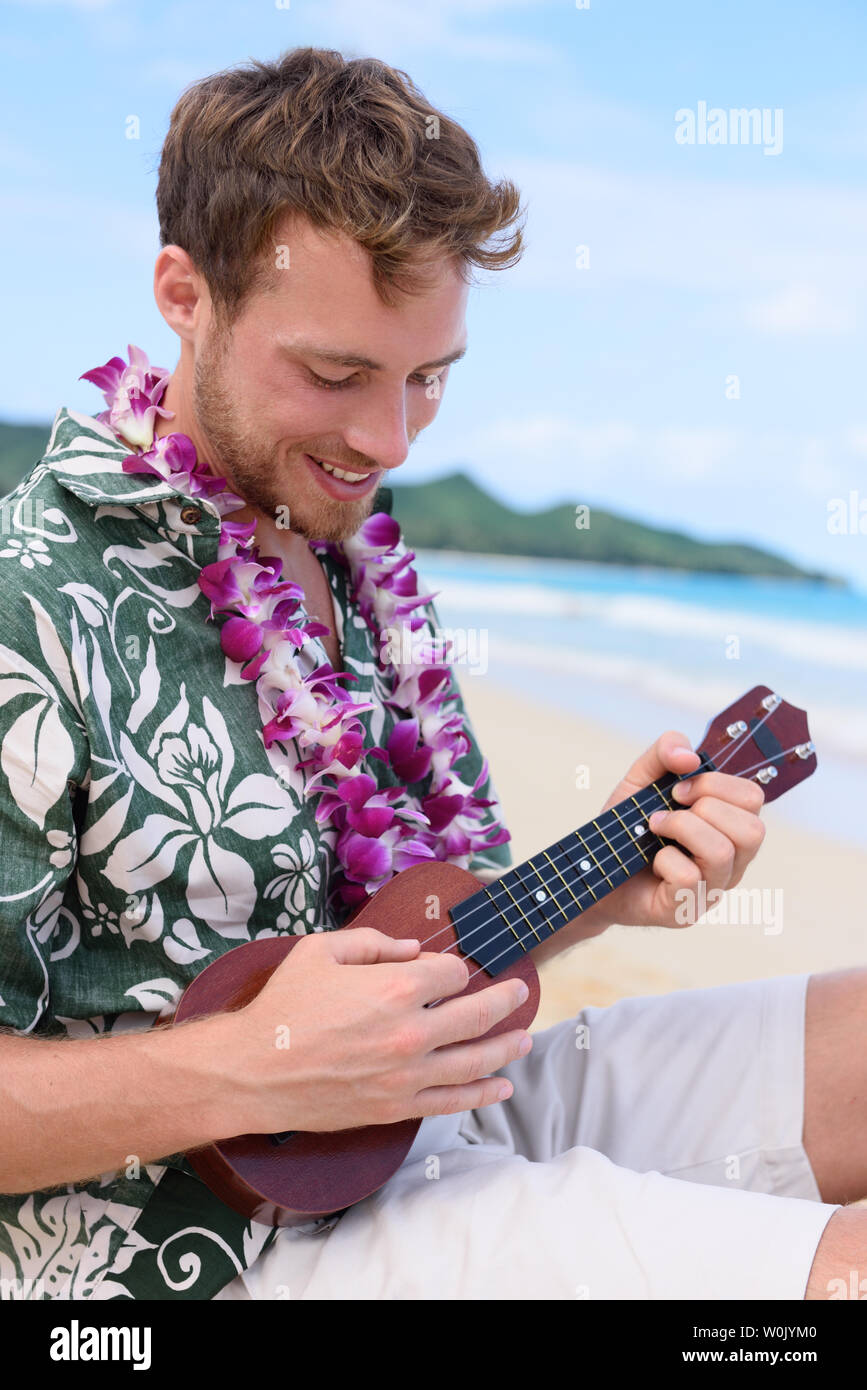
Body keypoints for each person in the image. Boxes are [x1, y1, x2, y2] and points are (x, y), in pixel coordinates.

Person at [0, 47, 862, 1303]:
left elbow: (417, 958)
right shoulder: (27, 600)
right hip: (180, 1249)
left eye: (427, 380)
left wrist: (609, 888)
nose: (388, 440)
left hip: (430, 1123)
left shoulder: (355, 568)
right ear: (186, 295)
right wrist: (258, 1066)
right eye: (338, 374)